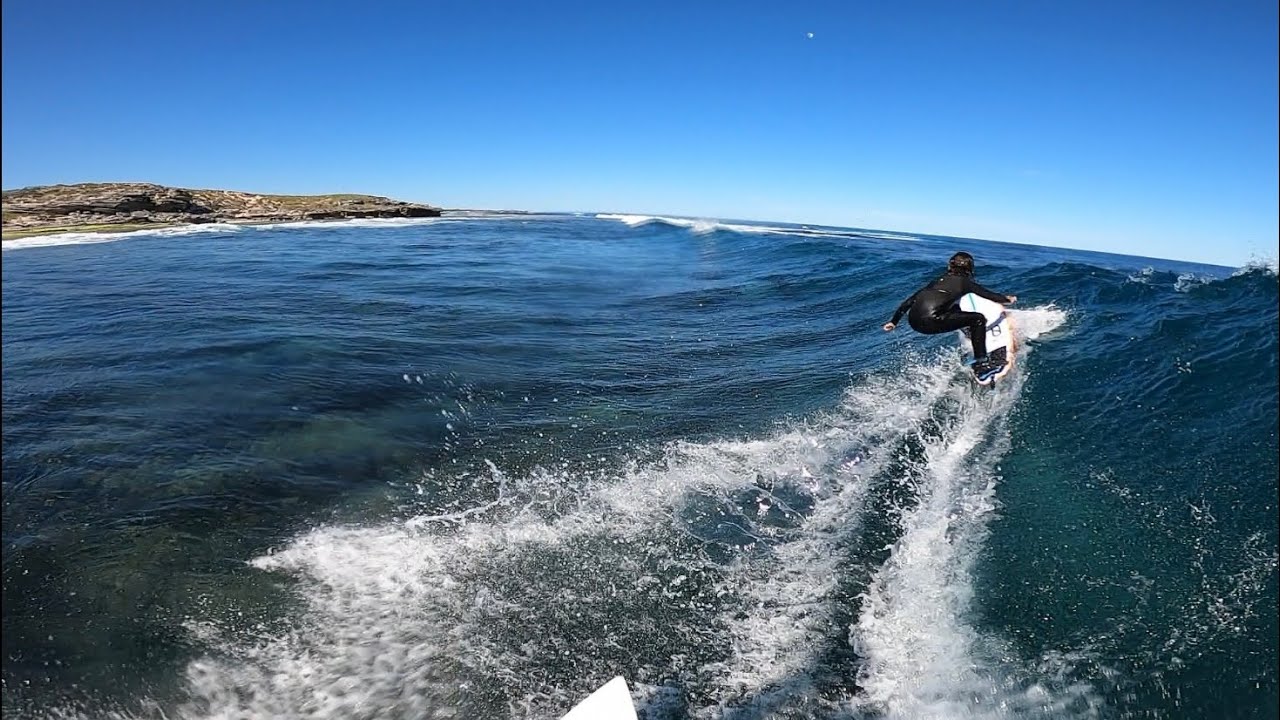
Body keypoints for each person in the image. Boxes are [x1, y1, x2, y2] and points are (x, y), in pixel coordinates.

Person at [882, 252, 1017, 379]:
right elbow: (989, 295)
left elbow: (910, 301)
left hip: (914, 321)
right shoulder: (964, 282)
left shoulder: (937, 281)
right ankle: (982, 363)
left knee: (955, 307)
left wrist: (893, 322)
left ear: (950, 266)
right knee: (978, 319)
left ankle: (970, 332)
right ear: (970, 269)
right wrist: (1007, 300)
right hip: (931, 321)